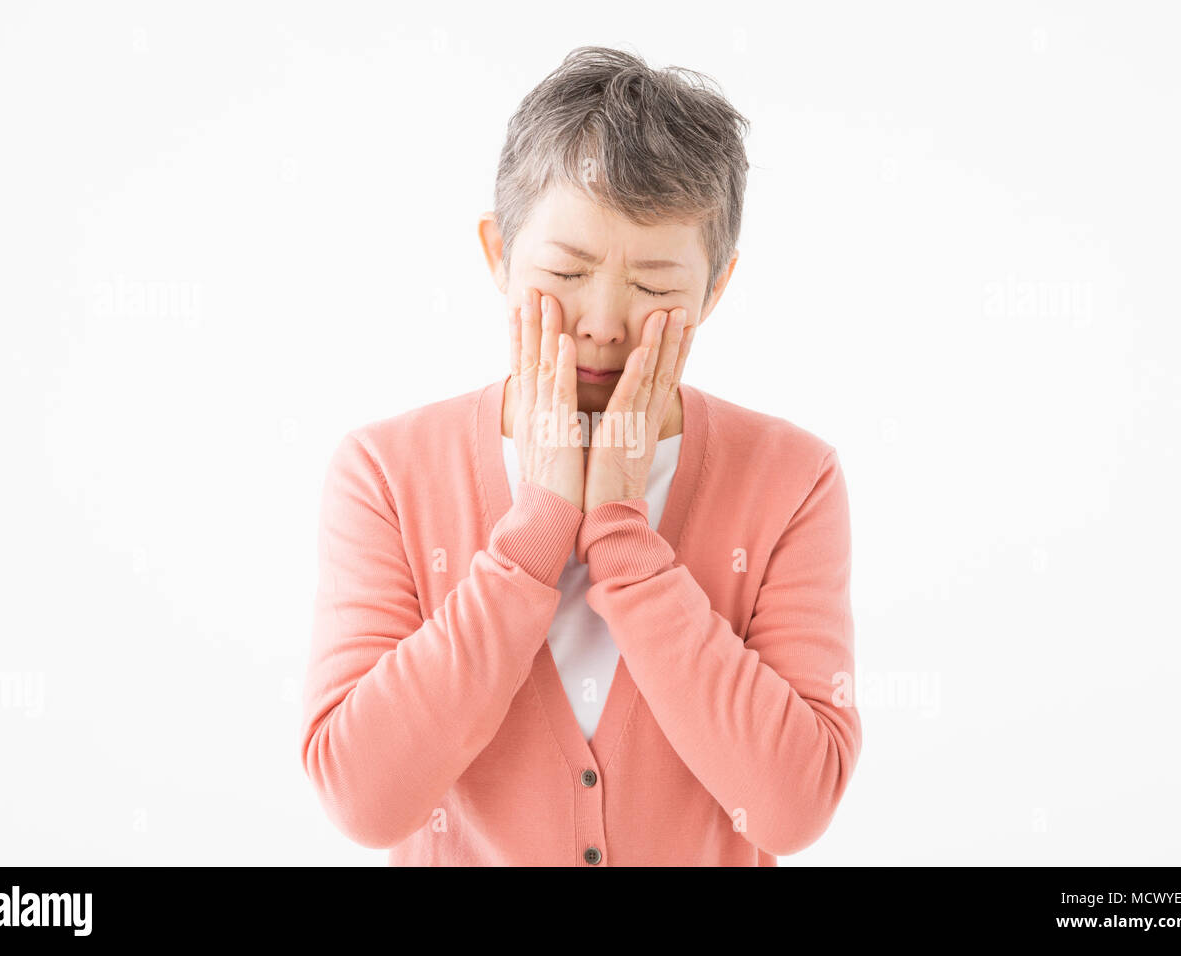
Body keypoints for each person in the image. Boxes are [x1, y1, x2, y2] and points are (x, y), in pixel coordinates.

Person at [300, 45, 861, 866]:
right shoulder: (385, 472)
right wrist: (540, 525)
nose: (603, 321)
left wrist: (626, 541)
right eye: (567, 271)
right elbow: (364, 800)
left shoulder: (793, 478)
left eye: (655, 286)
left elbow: (791, 810)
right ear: (499, 255)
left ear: (716, 288)